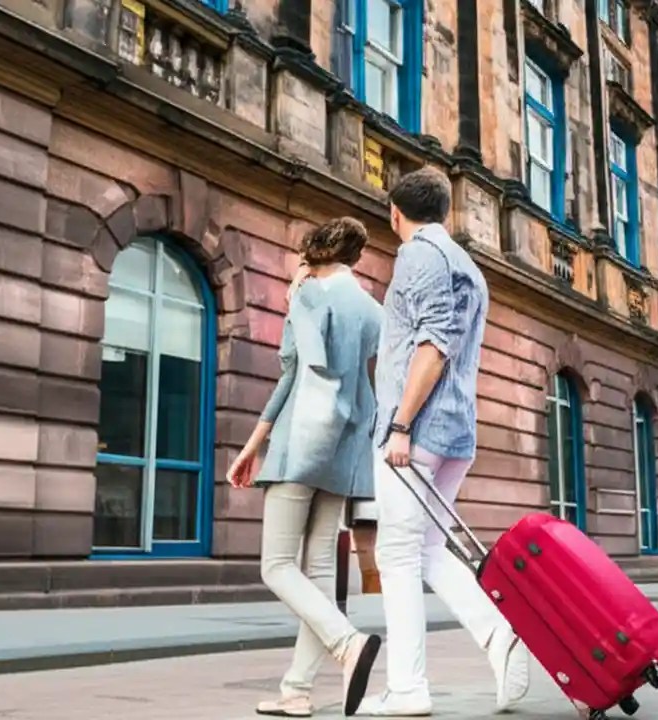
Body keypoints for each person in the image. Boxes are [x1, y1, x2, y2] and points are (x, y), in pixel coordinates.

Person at [357, 167, 530, 716]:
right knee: (428, 549)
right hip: (454, 430)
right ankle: (497, 633)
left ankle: (408, 688)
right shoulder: (466, 264)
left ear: (394, 213)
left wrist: (401, 423)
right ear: (445, 212)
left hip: (418, 431)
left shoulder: (418, 255)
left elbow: (432, 343)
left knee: (397, 553)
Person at [227, 217, 385, 718]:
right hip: (345, 448)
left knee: (276, 565)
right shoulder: (372, 309)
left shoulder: (311, 297)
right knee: (318, 572)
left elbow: (297, 371)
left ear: (311, 257)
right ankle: (297, 690)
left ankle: (346, 644)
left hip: (301, 441)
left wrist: (253, 445)